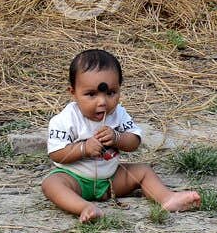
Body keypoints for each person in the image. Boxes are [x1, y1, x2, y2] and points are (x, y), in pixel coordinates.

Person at [42, 49, 201, 222]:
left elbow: (134, 142)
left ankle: (166, 198)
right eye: (91, 94)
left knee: (143, 171)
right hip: (75, 180)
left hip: (111, 180)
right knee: (52, 184)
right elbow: (57, 154)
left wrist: (118, 138)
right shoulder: (65, 119)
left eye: (110, 93)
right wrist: (83, 148)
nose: (102, 102)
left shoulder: (118, 114)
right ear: (73, 92)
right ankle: (85, 208)